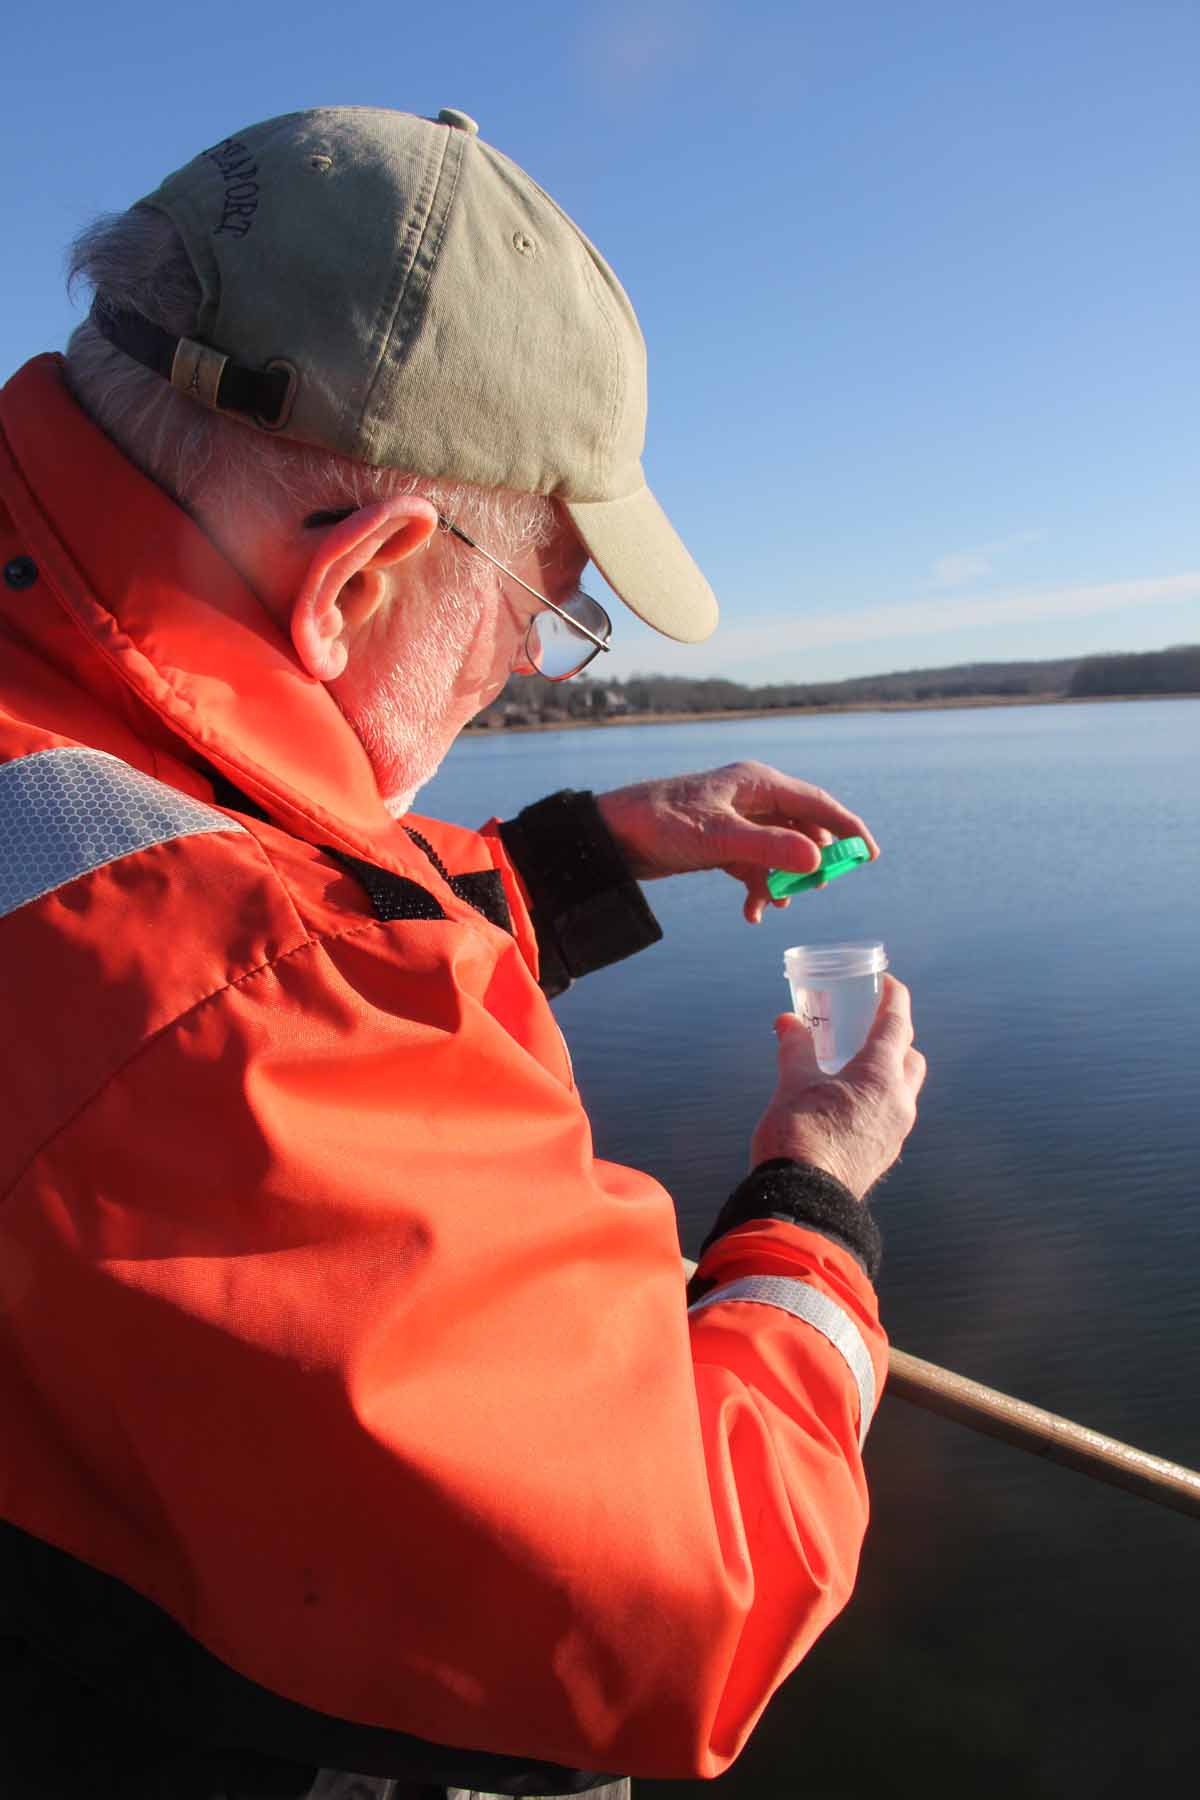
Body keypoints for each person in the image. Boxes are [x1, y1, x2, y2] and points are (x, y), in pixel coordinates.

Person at [0, 106, 926, 1800]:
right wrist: (813, 1203)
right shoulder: (236, 1017)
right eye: (546, 608)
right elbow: (695, 1596)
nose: (526, 669)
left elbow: (224, 860)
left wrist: (596, 849)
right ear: (360, 583)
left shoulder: (52, 670)